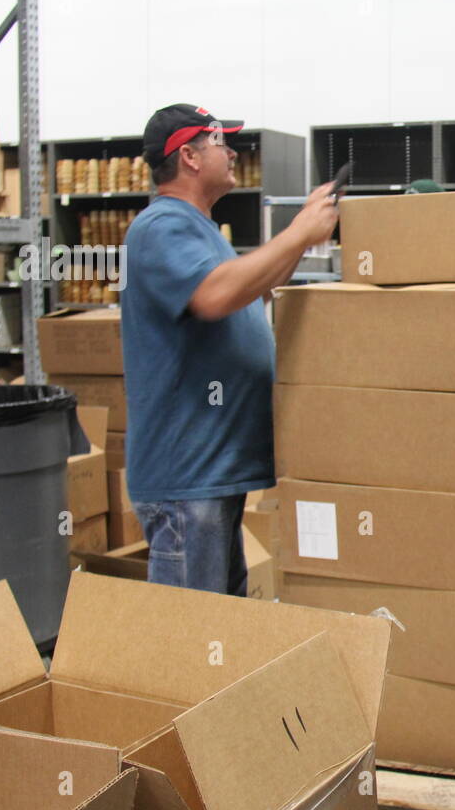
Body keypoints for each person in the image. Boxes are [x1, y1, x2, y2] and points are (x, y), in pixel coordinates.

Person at [120, 104, 339, 596]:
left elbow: (248, 289)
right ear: (190, 156)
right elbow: (216, 295)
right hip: (187, 476)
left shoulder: (199, 228)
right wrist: (298, 231)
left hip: (212, 472)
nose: (233, 152)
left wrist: (302, 236)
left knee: (221, 631)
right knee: (191, 642)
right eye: (222, 142)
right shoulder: (160, 228)